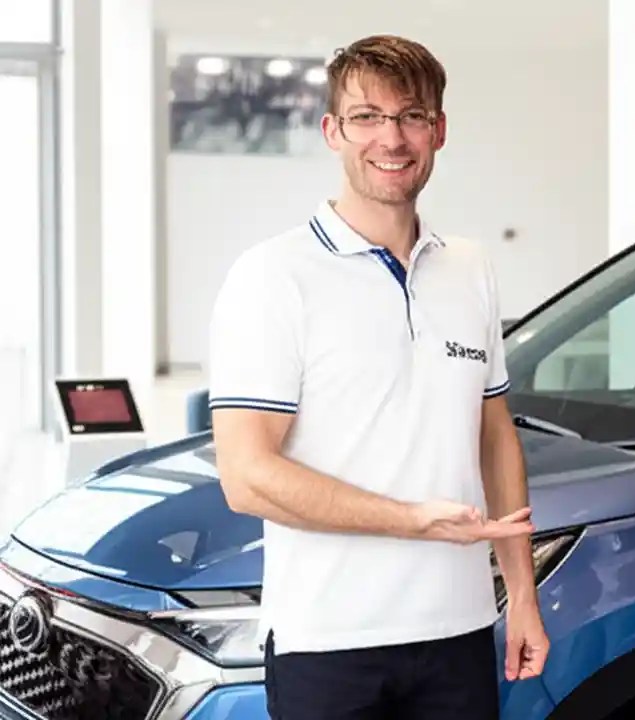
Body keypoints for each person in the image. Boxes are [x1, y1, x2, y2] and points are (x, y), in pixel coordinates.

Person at [208, 34, 549, 720]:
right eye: (367, 116)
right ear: (333, 131)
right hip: (329, 642)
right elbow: (245, 476)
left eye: (412, 116)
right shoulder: (273, 275)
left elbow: (494, 436)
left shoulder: (469, 268)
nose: (391, 138)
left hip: (457, 632)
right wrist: (409, 521)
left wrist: (522, 599)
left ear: (439, 131)